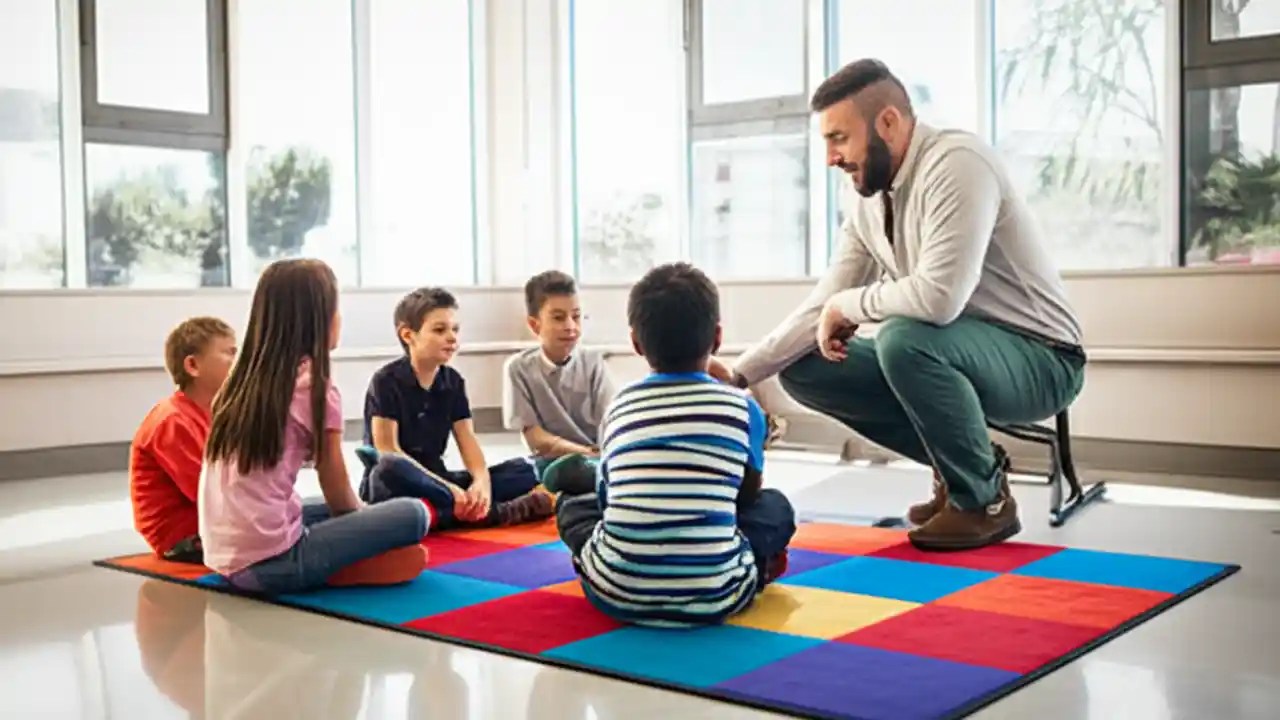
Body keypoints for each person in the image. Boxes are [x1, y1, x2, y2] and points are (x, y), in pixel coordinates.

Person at [708, 59, 1087, 551]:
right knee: (806, 365)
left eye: (839, 138)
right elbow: (825, 303)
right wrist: (741, 375)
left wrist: (850, 305)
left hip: (1043, 358)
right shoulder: (866, 197)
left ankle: (983, 502)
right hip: (952, 351)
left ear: (887, 121)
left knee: (904, 337)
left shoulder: (958, 165)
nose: (830, 158)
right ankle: (963, 468)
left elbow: (938, 298)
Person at [557, 262, 797, 628]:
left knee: (572, 506)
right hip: (718, 593)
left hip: (614, 590)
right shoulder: (743, 408)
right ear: (717, 338)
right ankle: (757, 566)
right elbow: (748, 495)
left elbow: (608, 498)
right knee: (777, 508)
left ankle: (598, 562)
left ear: (635, 342)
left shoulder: (620, 405)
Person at [199, 258, 429, 594]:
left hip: (224, 557)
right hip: (274, 565)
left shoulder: (240, 382)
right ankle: (339, 568)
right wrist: (365, 524)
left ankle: (344, 557)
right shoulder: (313, 387)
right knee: (414, 513)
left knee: (311, 507)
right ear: (319, 320)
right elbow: (338, 493)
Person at [358, 287, 554, 528]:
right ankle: (498, 513)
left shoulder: (453, 382)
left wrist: (481, 484)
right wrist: (449, 490)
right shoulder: (385, 381)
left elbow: (467, 439)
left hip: (438, 480)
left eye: (455, 330)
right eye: (440, 330)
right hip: (396, 484)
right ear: (408, 335)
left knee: (525, 470)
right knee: (389, 467)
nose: (452, 337)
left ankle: (444, 513)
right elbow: (388, 449)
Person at [129, 317, 237, 562]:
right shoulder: (172, 421)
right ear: (193, 365)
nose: (239, 362)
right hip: (183, 539)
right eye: (229, 353)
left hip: (210, 526)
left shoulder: (212, 414)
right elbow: (210, 492)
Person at [502, 270, 613, 496]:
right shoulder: (518, 368)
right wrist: (582, 453)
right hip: (552, 462)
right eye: (558, 317)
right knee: (515, 473)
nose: (571, 326)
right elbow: (535, 438)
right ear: (535, 325)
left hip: (597, 459)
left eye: (576, 316)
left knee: (600, 470)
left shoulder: (594, 362)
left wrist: (597, 456)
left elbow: (609, 421)